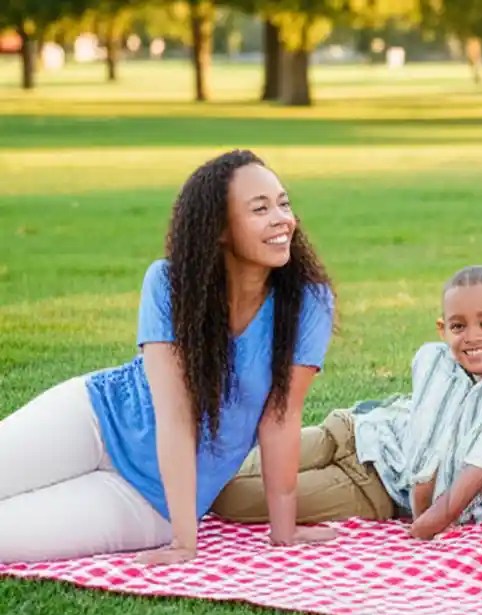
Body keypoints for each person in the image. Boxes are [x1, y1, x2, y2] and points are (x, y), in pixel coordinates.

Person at [0, 149, 337, 564]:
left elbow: (281, 417)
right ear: (220, 229)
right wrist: (186, 544)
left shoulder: (308, 301)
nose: (282, 219)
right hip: (94, 417)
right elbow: (175, 413)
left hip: (148, 499)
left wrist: (281, 533)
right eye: (259, 208)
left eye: (283, 203)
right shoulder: (169, 282)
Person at [214, 265, 482, 541]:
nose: (472, 337)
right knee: (223, 470)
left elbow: (481, 461)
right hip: (350, 432)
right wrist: (423, 517)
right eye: (458, 326)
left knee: (229, 497)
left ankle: (181, 493)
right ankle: (172, 479)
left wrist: (424, 526)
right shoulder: (433, 358)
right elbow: (426, 440)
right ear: (443, 329)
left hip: (371, 486)